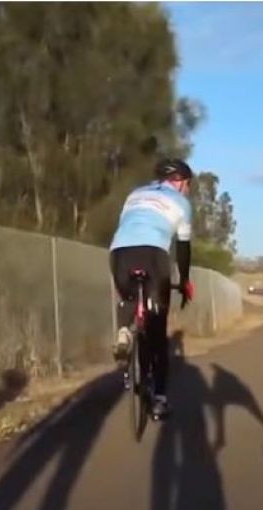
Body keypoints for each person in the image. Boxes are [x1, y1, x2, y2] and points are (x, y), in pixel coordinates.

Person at [108, 157, 195, 420]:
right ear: (178, 182)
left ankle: (124, 330)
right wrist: (185, 279)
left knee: (132, 300)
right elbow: (183, 249)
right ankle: (159, 399)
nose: (188, 189)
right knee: (157, 333)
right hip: (154, 254)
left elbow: (128, 226)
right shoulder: (181, 203)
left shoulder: (135, 195)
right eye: (188, 184)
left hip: (119, 253)